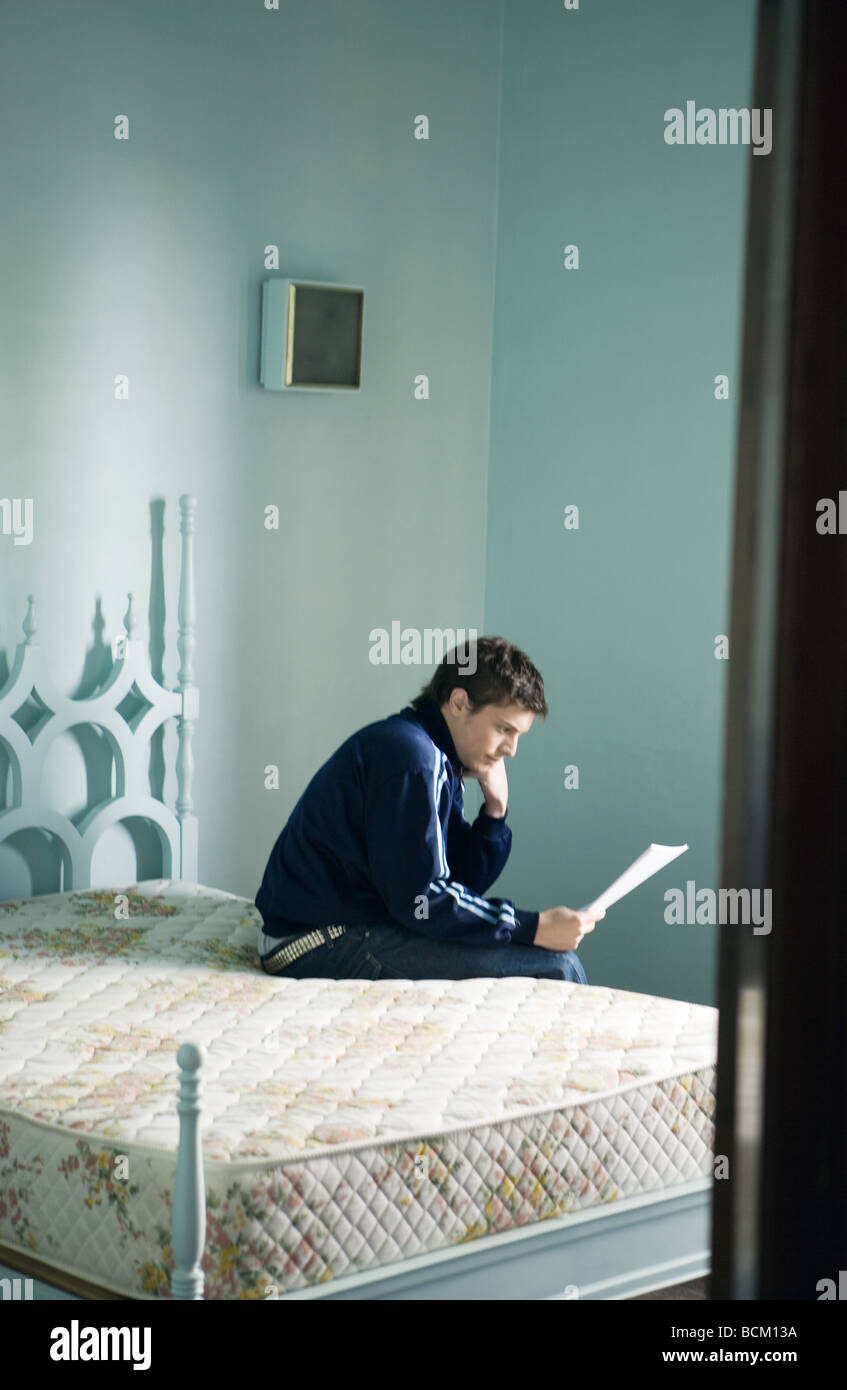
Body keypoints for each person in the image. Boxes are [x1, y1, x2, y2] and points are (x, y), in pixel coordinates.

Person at [254, 635, 604, 982]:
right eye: (503, 729)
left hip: (349, 927)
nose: (510, 749)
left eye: (518, 736)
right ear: (459, 702)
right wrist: (530, 927)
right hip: (312, 941)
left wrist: (494, 814)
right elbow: (423, 901)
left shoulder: (436, 757)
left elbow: (457, 884)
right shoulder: (412, 759)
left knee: (554, 960)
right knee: (560, 967)